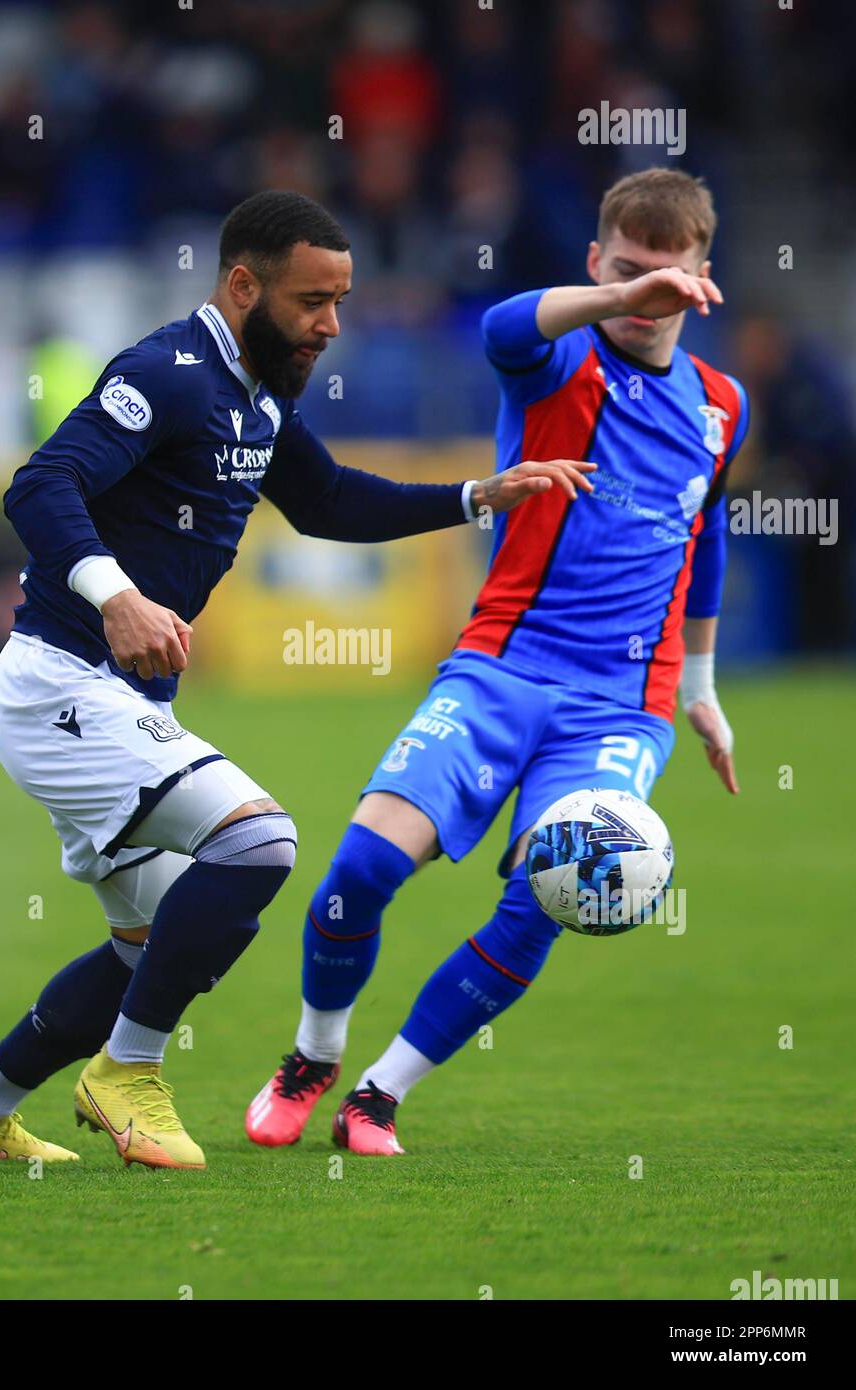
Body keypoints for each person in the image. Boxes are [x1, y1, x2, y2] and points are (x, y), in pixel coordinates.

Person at [0, 189, 588, 1171]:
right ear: (241, 285)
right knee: (259, 840)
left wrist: (475, 495)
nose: (332, 325)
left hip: (117, 700)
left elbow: (323, 501)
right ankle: (128, 1071)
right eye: (314, 301)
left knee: (152, 946)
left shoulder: (259, 392)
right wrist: (117, 598)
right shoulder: (168, 372)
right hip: (59, 686)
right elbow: (39, 484)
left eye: (341, 301)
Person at [247, 168, 748, 1156]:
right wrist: (616, 301)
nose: (647, 295)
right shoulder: (559, 365)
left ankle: (380, 1095)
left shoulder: (721, 402)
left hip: (620, 708)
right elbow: (500, 330)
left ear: (703, 278)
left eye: (668, 277)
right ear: (596, 265)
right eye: (626, 272)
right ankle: (313, 1054)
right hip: (499, 668)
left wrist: (700, 685)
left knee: (545, 897)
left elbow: (710, 528)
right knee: (356, 870)